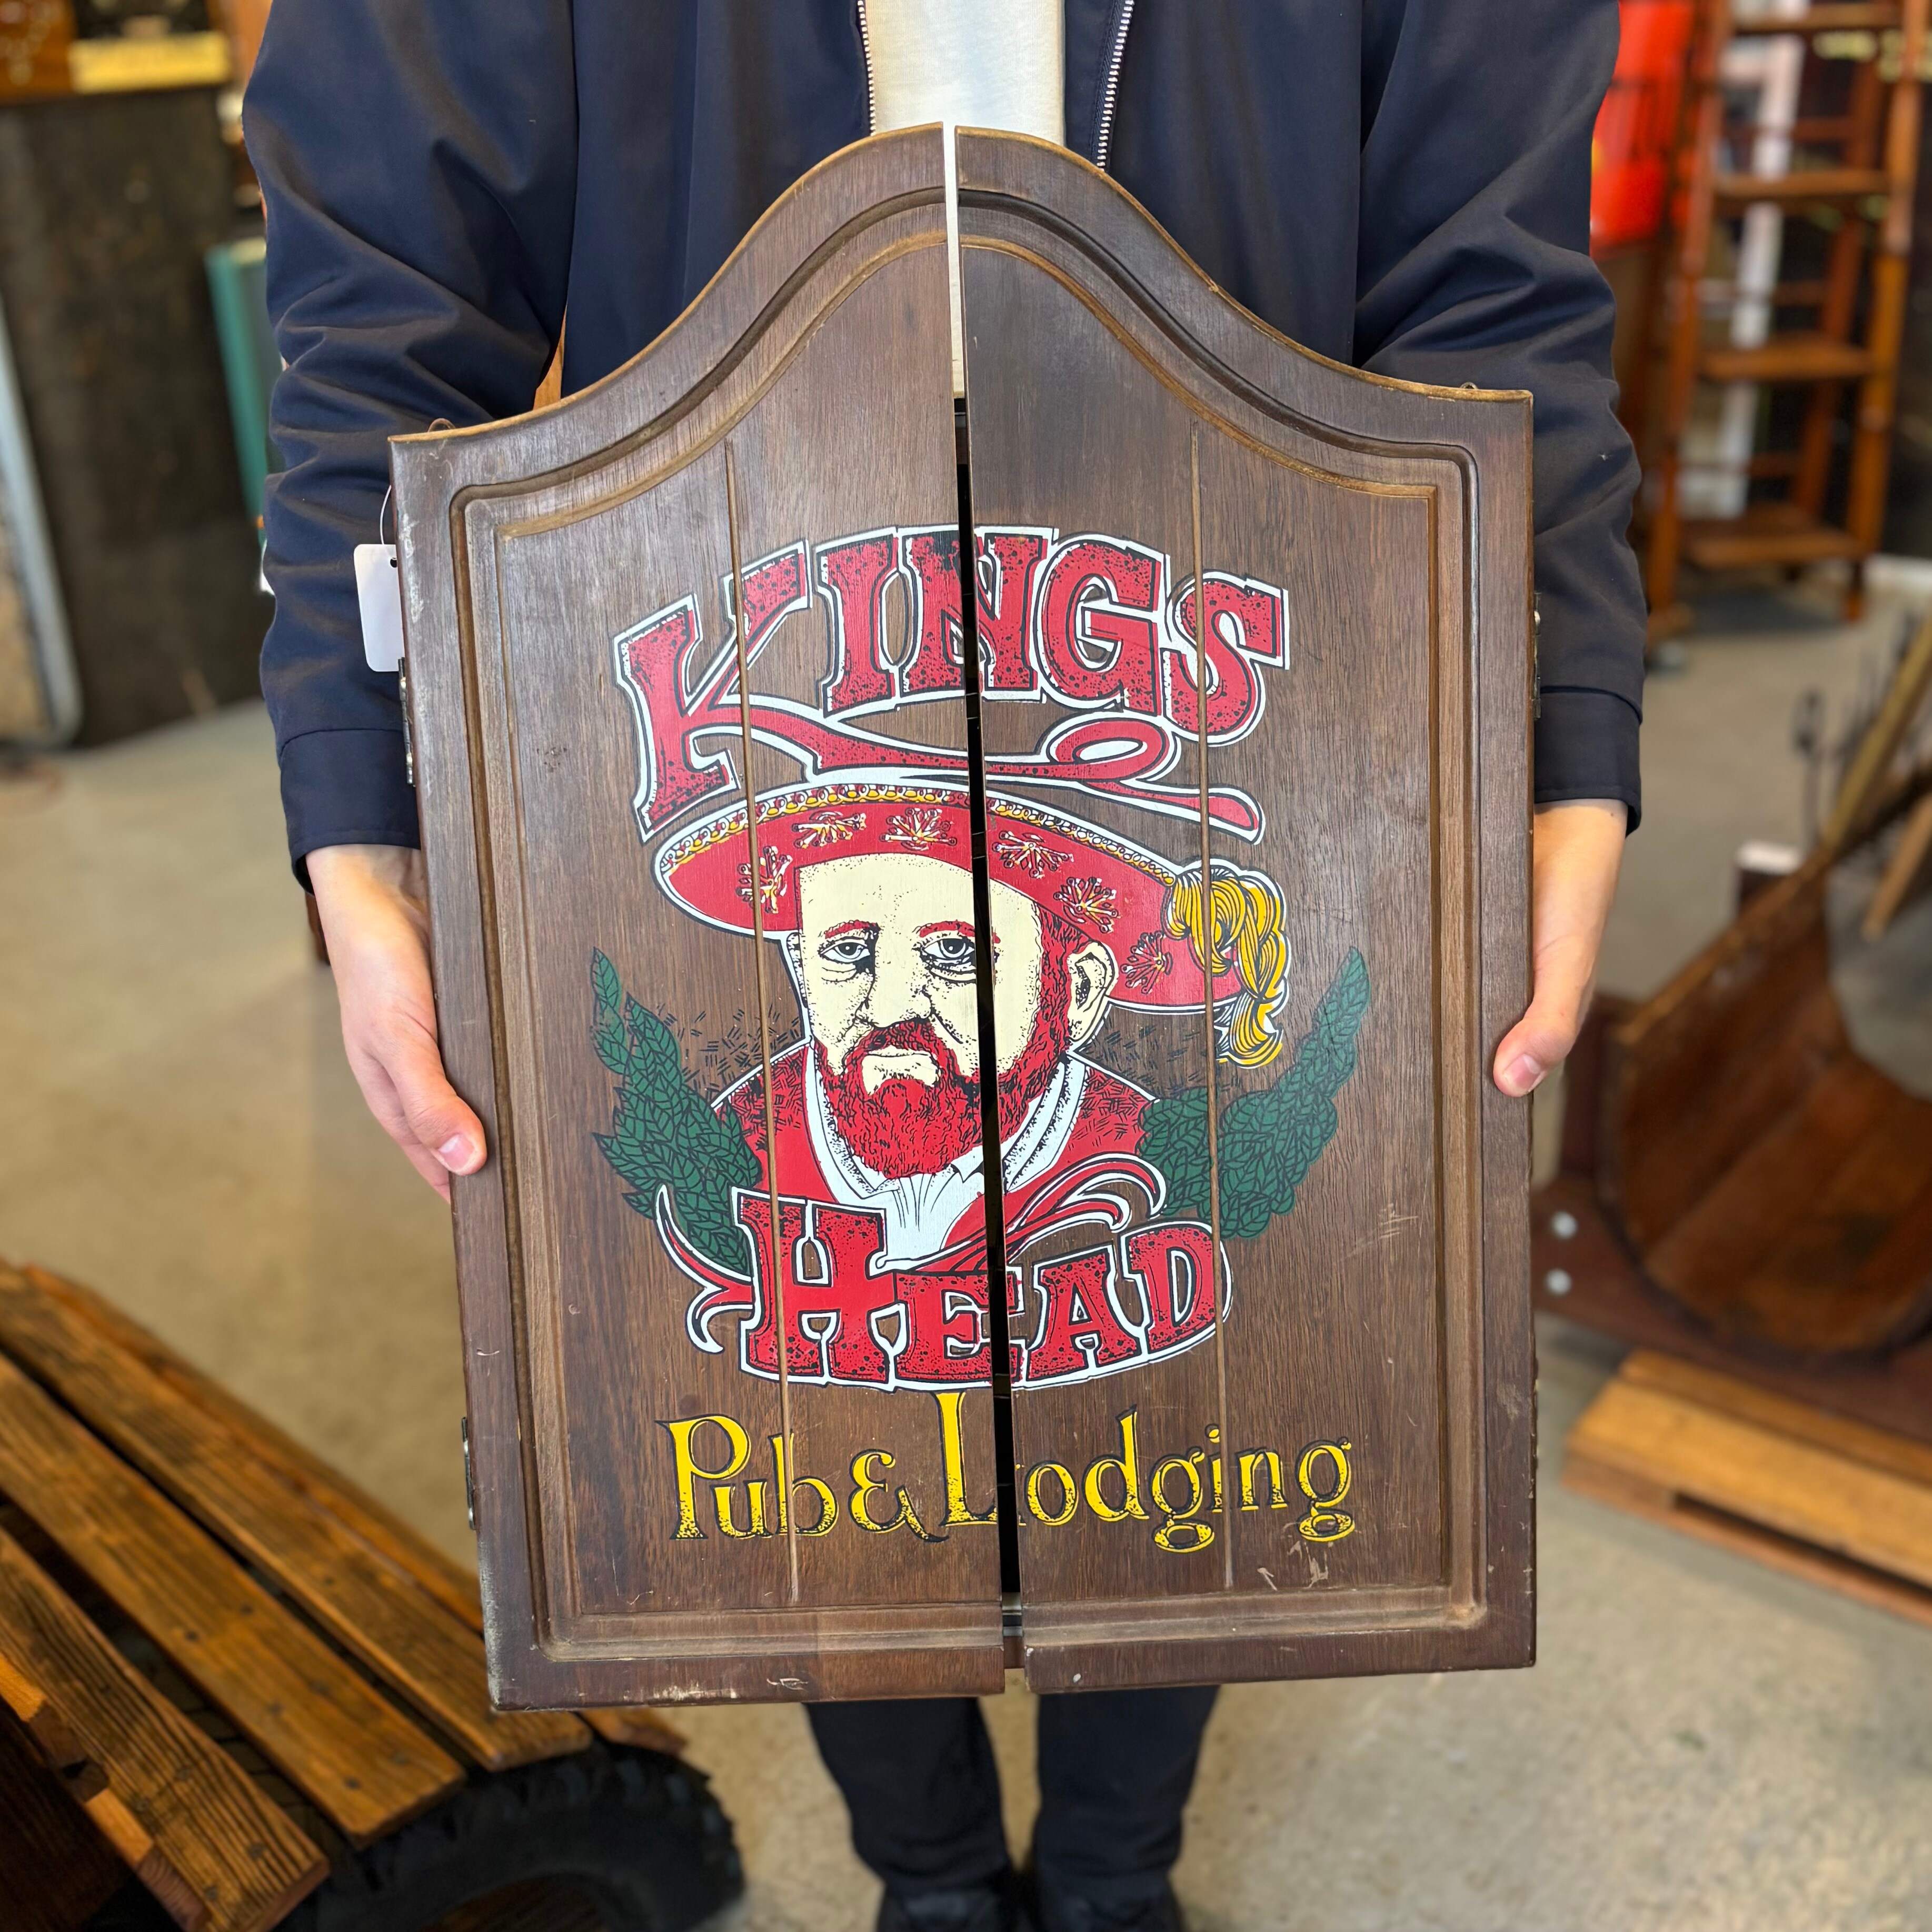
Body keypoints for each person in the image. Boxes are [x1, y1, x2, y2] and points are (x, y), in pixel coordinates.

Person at [246, 4, 1640, 1928]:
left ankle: (1112, 1875)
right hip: (721, 577)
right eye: (853, 962)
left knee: (1215, 1368)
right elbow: (377, 293)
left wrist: (1564, 722)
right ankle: (928, 1881)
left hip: (1245, 610)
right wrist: (353, 786)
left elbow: (1494, 296)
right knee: (790, 1393)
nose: (890, 1001)